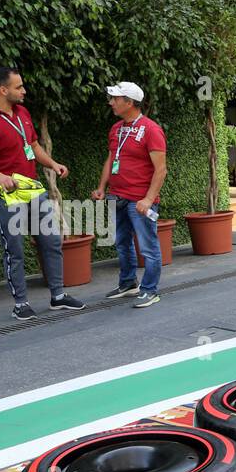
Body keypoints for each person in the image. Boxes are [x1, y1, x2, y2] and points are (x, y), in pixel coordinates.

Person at [0, 67, 83, 320]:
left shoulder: (23, 113)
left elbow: (33, 145)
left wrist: (52, 163)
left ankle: (58, 296)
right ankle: (20, 303)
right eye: (19, 87)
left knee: (51, 240)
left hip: (32, 190)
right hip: (4, 195)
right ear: (3, 90)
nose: (24, 91)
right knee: (14, 248)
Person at [92, 82, 168, 308]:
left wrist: (147, 199)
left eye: (115, 99)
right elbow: (110, 159)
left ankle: (150, 290)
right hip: (117, 196)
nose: (111, 102)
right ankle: (128, 283)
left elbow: (161, 169)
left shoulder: (151, 129)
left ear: (130, 102)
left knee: (148, 246)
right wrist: (101, 187)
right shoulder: (116, 129)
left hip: (140, 201)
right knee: (122, 243)